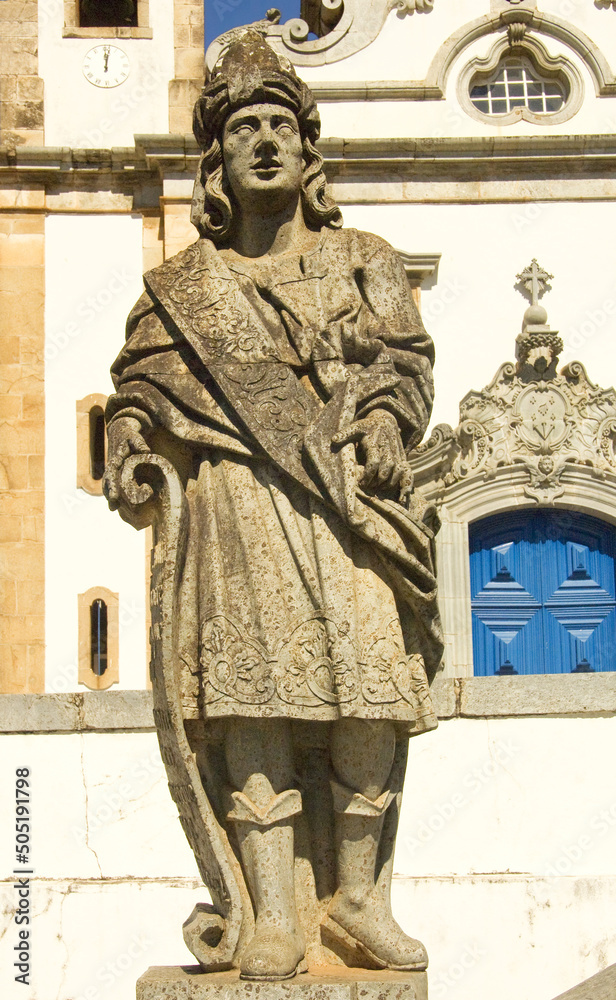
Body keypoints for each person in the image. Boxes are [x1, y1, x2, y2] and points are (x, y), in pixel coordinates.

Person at [104, 30, 442, 983]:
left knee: (371, 693)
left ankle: (360, 899)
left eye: (279, 127)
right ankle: (272, 914)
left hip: (348, 503)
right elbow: (136, 389)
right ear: (218, 159)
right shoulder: (181, 292)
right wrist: (129, 440)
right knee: (253, 694)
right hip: (235, 503)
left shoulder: (366, 257)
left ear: (306, 151)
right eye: (244, 127)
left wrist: (382, 418)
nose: (263, 142)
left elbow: (405, 362)